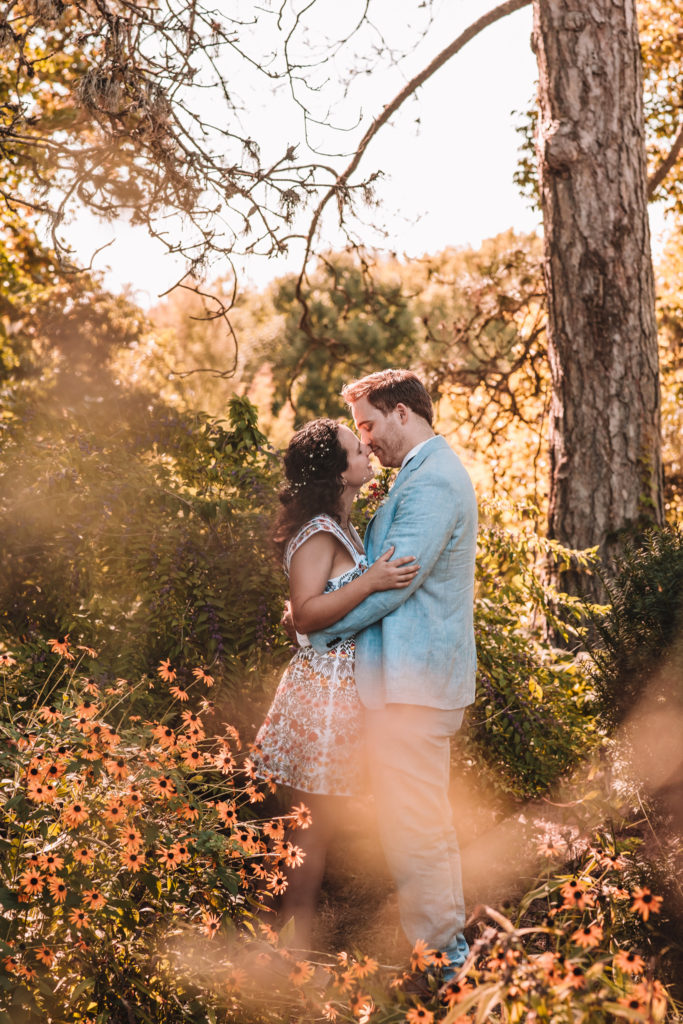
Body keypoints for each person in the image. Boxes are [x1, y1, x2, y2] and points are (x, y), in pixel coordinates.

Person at [309, 369, 478, 978]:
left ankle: (446, 970)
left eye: (369, 425)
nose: (366, 439)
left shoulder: (433, 481)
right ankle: (445, 960)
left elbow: (392, 586)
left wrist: (316, 626)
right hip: (407, 687)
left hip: (416, 689)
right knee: (418, 829)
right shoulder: (417, 474)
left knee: (416, 833)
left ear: (403, 412)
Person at [251, 417, 419, 950]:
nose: (366, 451)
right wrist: (370, 581)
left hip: (342, 695)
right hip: (321, 695)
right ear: (336, 470)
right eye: (355, 449)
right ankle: (287, 956)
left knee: (314, 829)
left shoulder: (340, 526)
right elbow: (304, 613)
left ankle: (278, 950)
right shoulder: (318, 532)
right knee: (310, 829)